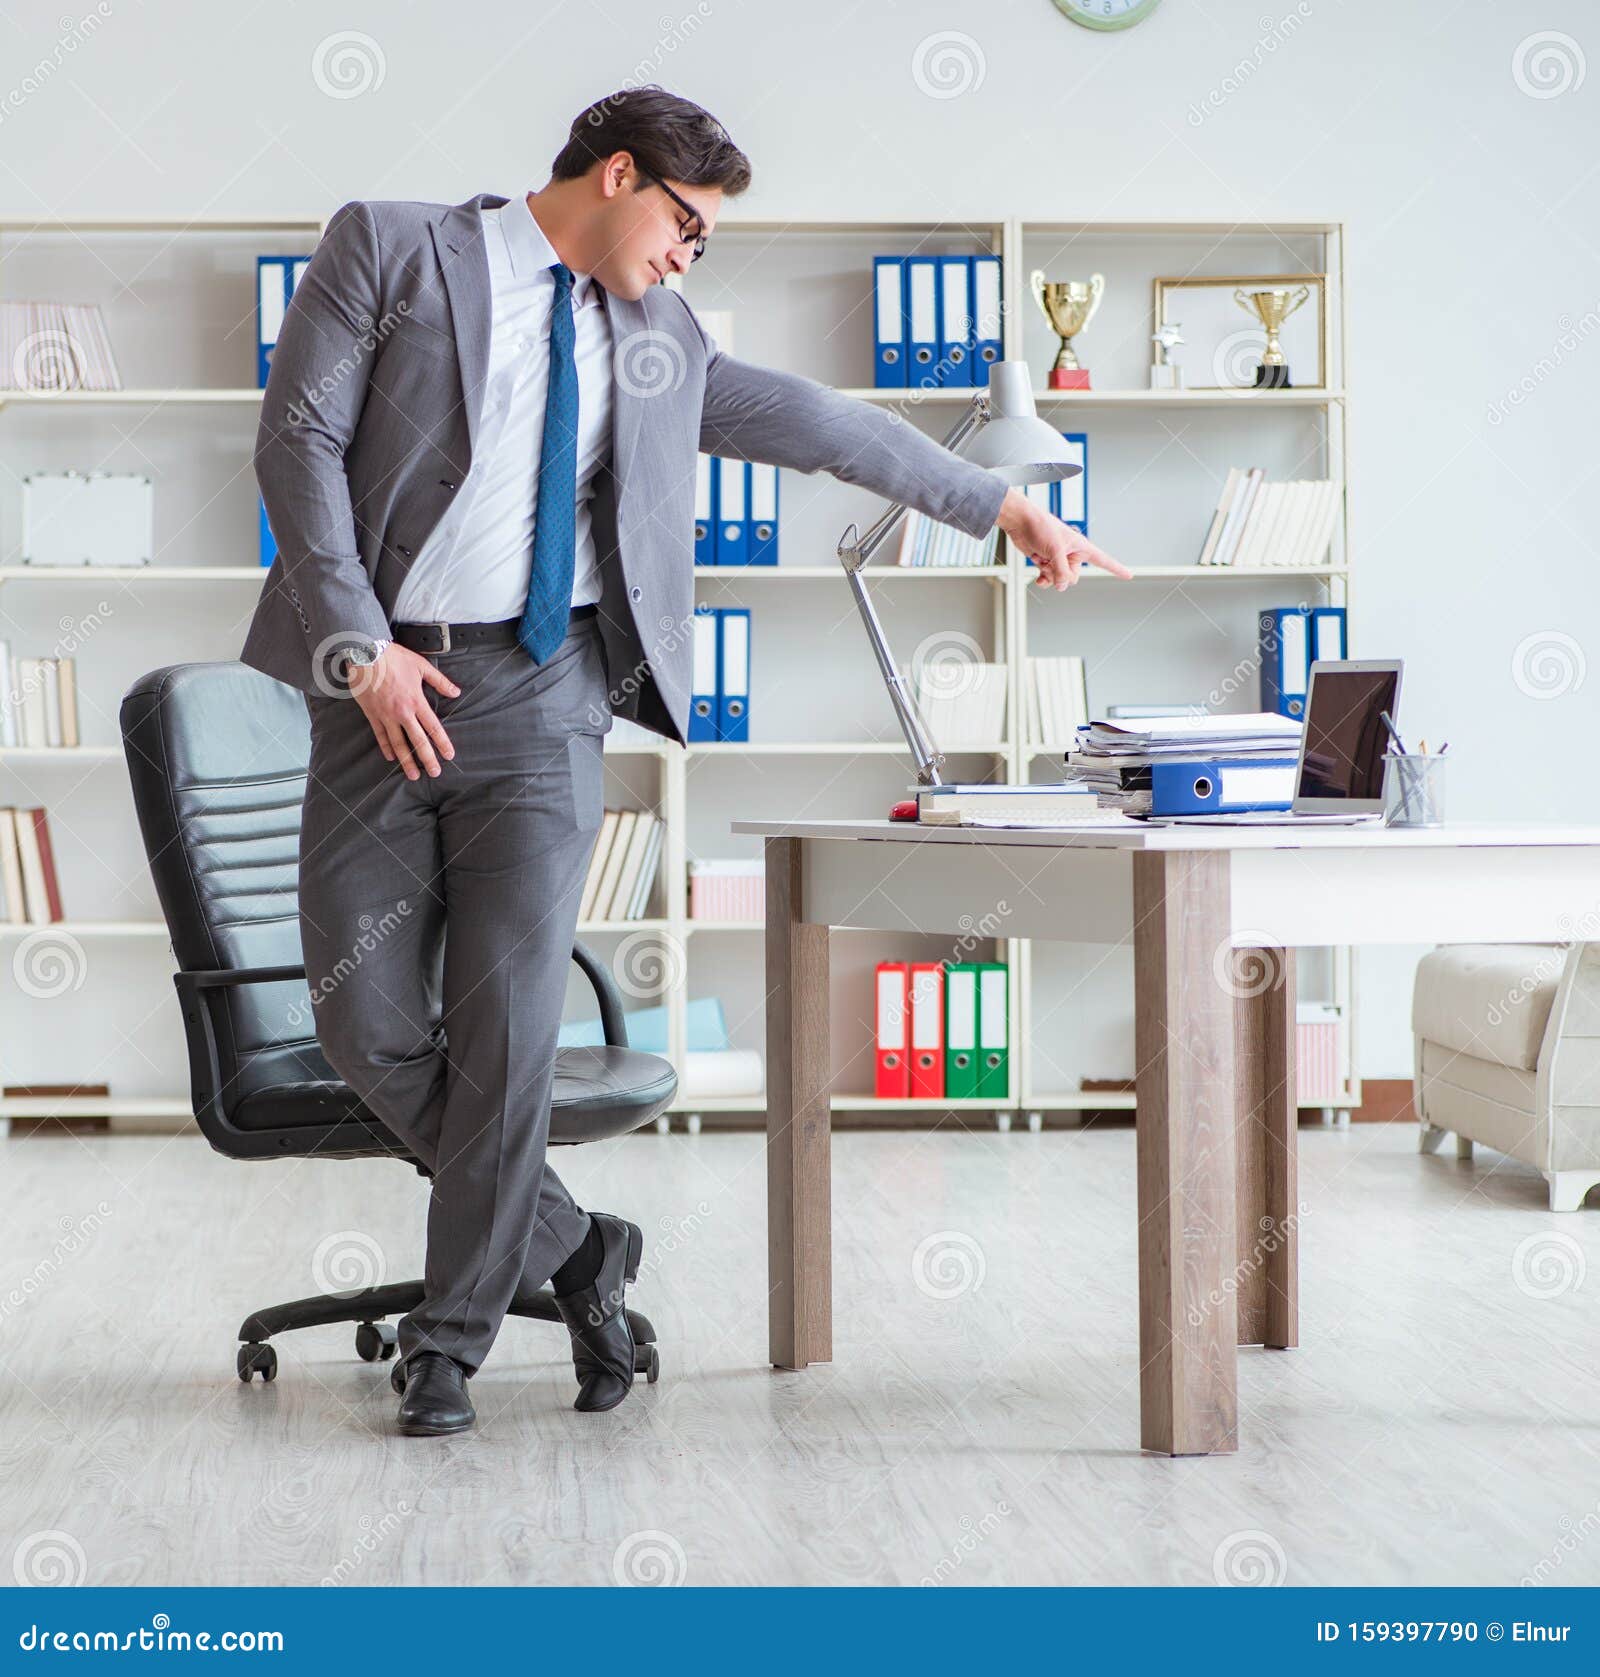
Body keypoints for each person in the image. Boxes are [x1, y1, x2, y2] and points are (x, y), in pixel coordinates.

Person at [242, 85, 1128, 1439]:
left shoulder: (662, 342)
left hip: (544, 696)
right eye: (687, 227)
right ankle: (579, 1249)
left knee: (509, 1032)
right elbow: (296, 441)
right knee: (364, 1027)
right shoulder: (395, 246)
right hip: (377, 686)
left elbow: (825, 425)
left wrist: (1004, 507)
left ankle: (450, 1344)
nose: (688, 257)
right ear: (617, 175)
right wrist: (360, 648)